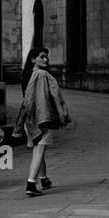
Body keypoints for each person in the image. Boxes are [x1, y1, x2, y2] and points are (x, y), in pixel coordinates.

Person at [17, 46, 71, 197]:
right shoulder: (41, 74)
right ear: (33, 59)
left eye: (47, 57)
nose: (45, 59)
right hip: (42, 117)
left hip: (31, 117)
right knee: (39, 149)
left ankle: (44, 179)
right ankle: (31, 183)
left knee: (38, 149)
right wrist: (61, 115)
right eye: (42, 56)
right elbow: (47, 99)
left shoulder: (28, 74)